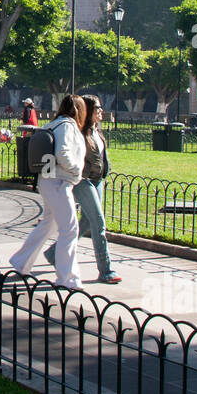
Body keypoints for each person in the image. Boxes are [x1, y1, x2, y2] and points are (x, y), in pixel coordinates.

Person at [9, 94, 88, 290]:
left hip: (48, 179)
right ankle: (67, 277)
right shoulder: (68, 126)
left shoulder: (52, 125)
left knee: (49, 224)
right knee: (69, 229)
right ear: (79, 110)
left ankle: (21, 262)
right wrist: (76, 169)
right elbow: (62, 152)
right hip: (59, 181)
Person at [75, 95, 120, 284]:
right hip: (83, 180)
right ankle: (106, 269)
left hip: (97, 180)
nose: (101, 111)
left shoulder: (96, 131)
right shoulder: (79, 133)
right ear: (88, 111)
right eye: (98, 108)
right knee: (98, 222)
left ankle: (55, 253)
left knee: (86, 221)